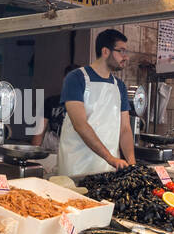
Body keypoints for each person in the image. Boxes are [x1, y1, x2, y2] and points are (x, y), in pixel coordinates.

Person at [56, 29, 135, 177]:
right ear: (105, 51)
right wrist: (110, 158)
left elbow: (125, 129)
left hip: (108, 167)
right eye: (121, 51)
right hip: (76, 166)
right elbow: (80, 125)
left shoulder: (120, 86)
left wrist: (132, 164)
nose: (126, 57)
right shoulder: (76, 78)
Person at [29, 64, 79, 154]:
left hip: (74, 153)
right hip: (52, 151)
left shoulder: (87, 105)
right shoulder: (51, 101)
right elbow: (39, 132)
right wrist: (33, 156)